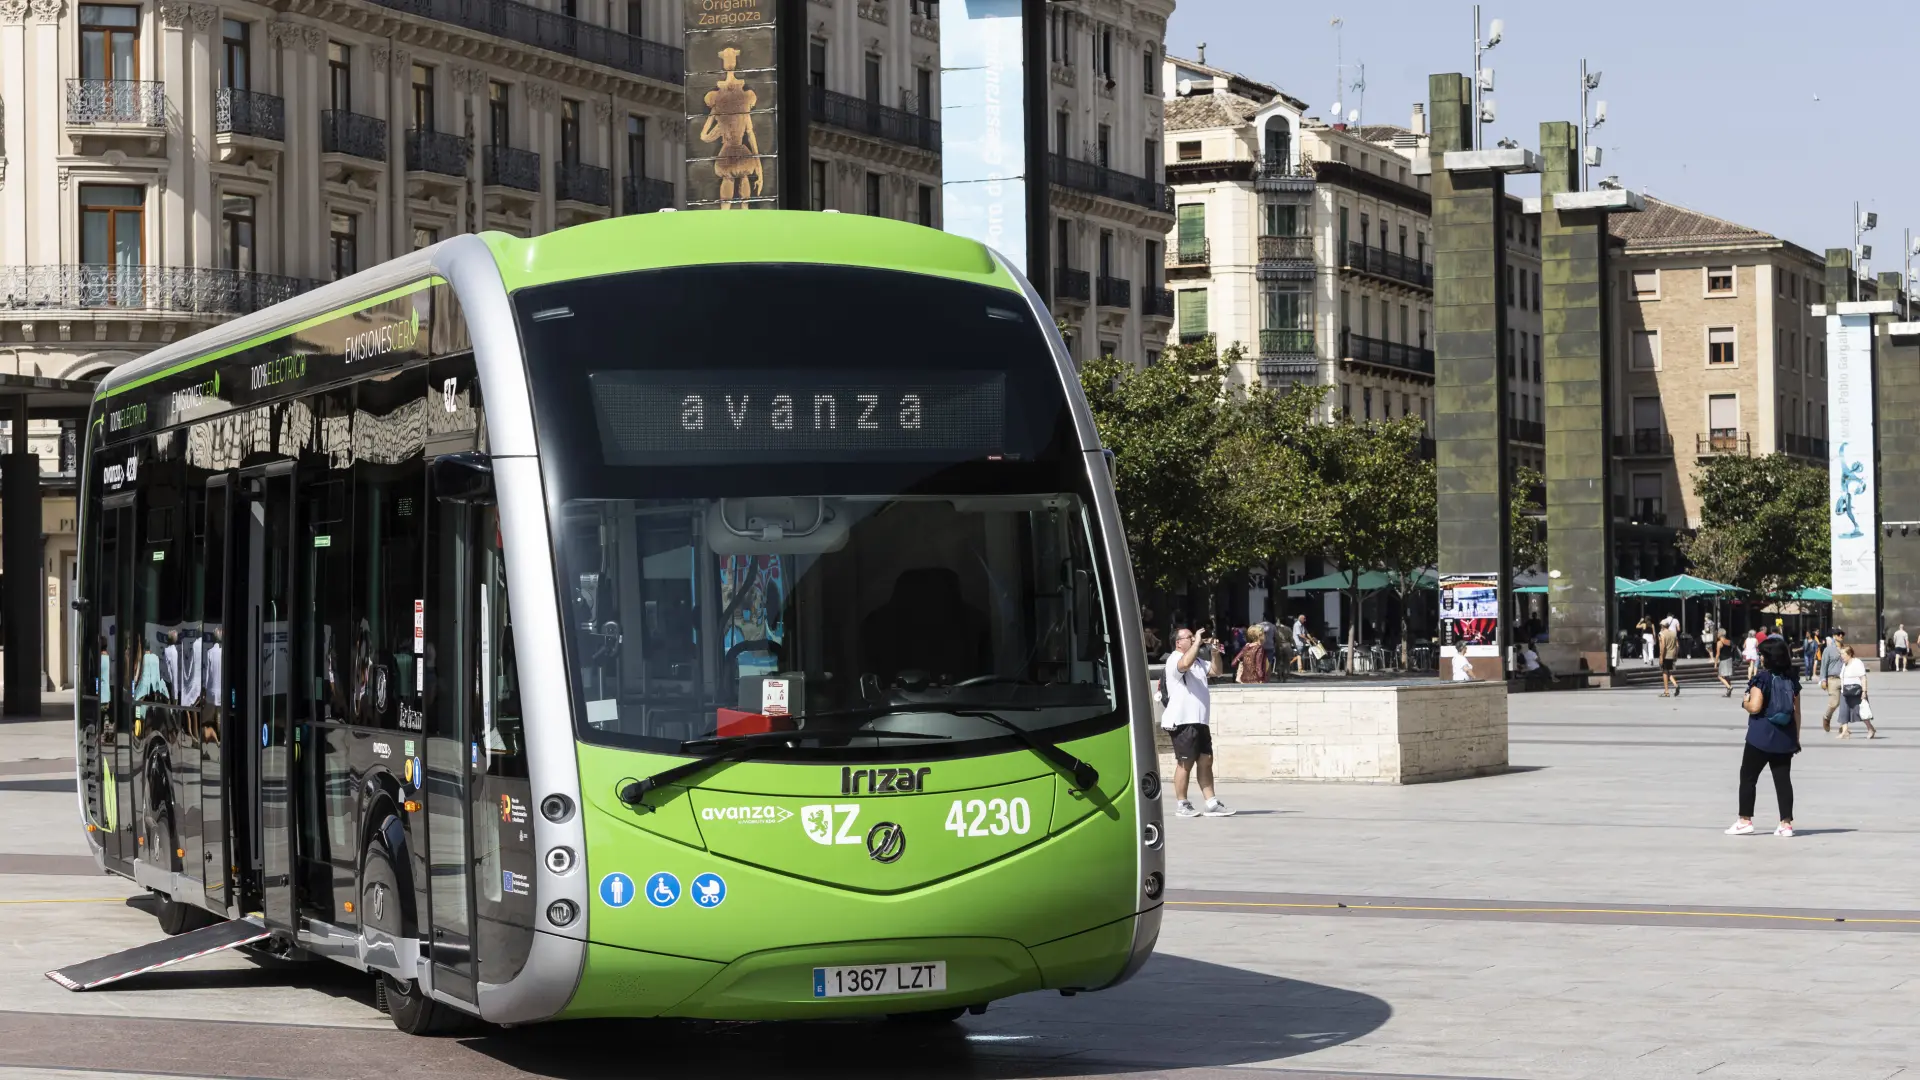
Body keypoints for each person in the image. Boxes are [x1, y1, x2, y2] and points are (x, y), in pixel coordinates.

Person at [1728, 635, 1800, 837]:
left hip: (1760, 738)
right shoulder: (1792, 679)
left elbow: (1755, 706)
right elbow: (1797, 712)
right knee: (1783, 780)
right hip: (1785, 737)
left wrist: (1744, 702)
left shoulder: (1762, 678)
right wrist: (1796, 738)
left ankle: (1745, 820)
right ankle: (1785, 824)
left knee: (1748, 777)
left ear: (1768, 658)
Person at [1162, 627, 1234, 817]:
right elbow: (1184, 665)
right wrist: (1197, 643)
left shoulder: (1199, 662)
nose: (1194, 639)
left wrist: (1215, 652)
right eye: (1189, 637)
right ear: (1178, 642)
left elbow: (1217, 671)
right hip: (1183, 721)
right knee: (1185, 762)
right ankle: (1182, 804)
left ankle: (1211, 802)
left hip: (1200, 720)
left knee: (1206, 760)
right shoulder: (1174, 659)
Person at [1836, 644, 1877, 739]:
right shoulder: (1844, 664)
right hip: (1845, 692)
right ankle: (1845, 731)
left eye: (1843, 654)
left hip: (1856, 691)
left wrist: (1864, 691)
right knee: (1843, 711)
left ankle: (1870, 729)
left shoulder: (1857, 662)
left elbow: (1863, 677)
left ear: (1849, 654)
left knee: (1862, 711)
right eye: (1841, 654)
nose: (1841, 656)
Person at [1819, 628, 1847, 732]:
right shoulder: (1828, 650)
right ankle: (1826, 717)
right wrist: (1823, 680)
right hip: (1832, 679)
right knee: (1834, 703)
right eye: (1839, 634)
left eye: (1842, 634)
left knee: (1845, 703)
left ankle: (1843, 726)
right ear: (1834, 636)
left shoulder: (1846, 649)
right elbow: (1824, 665)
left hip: (1845, 679)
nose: (1841, 636)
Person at [1658, 620, 1681, 696]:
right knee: (1668, 671)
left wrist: (1661, 656)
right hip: (1672, 655)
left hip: (1665, 655)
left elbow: (1663, 646)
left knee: (1664, 672)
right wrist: (1676, 655)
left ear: (1662, 626)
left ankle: (1666, 691)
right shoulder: (1673, 634)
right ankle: (1676, 685)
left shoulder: (1662, 634)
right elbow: (1677, 645)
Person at [1712, 629, 1736, 697]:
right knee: (1727, 677)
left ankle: (1729, 687)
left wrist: (1715, 663)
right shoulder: (1729, 641)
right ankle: (1728, 692)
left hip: (1723, 661)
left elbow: (1717, 654)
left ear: (1719, 634)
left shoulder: (1719, 642)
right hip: (1730, 659)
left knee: (1720, 676)